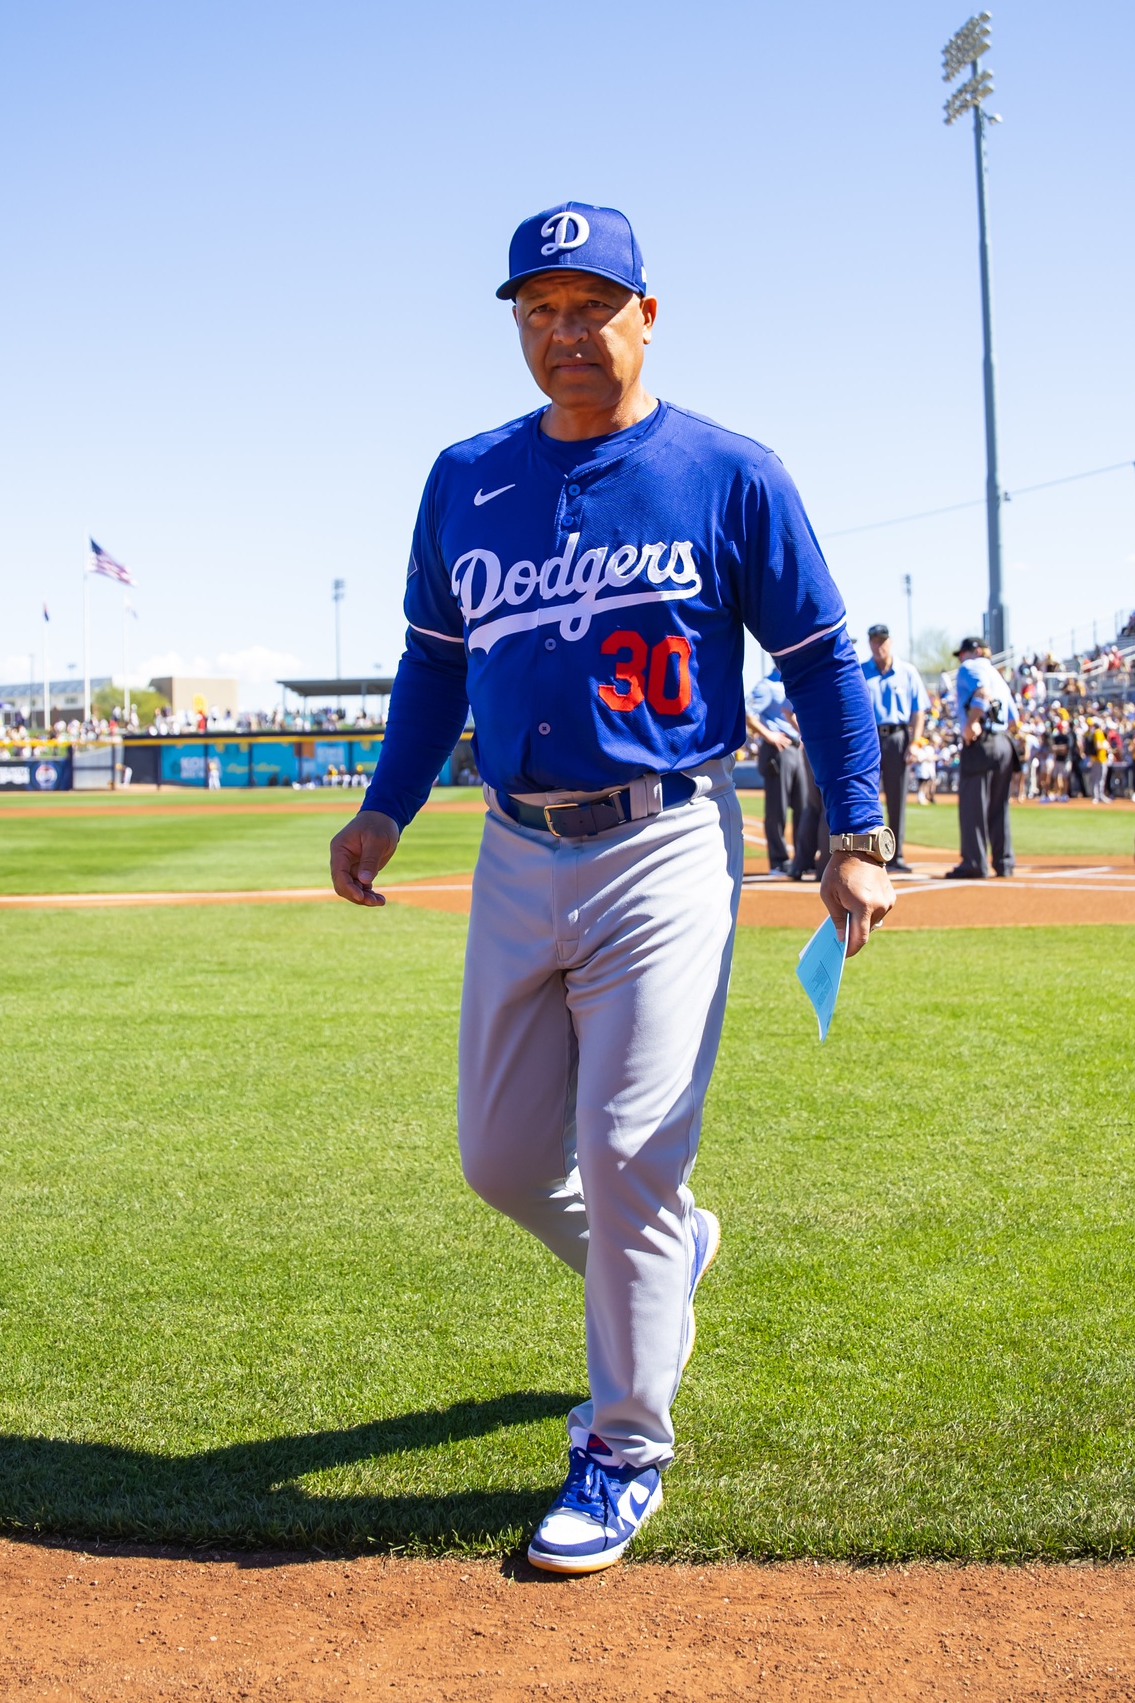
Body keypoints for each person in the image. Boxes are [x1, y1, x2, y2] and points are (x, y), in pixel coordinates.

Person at [326, 202, 895, 1576]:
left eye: (591, 306)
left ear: (647, 316)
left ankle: (624, 1444)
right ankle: (668, 1252)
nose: (564, 333)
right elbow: (433, 662)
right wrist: (386, 804)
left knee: (631, 1148)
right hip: (513, 845)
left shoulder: (727, 473)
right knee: (502, 1159)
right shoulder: (465, 476)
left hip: (665, 839)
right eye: (539, 309)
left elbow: (822, 660)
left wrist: (856, 829)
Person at [860, 623, 929, 872]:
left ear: (890, 642)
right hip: (869, 738)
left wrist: (915, 742)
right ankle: (866, 854)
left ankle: (895, 855)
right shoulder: (860, 671)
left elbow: (918, 711)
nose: (878, 645)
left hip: (898, 737)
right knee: (866, 796)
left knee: (897, 798)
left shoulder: (907, 672)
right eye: (874, 641)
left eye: (882, 641)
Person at [947, 636, 1014, 878]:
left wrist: (971, 723)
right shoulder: (998, 674)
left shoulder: (970, 667)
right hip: (1004, 741)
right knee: (999, 807)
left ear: (974, 651)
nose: (961, 659)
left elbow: (982, 693)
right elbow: (1014, 718)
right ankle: (1004, 862)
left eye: (963, 653)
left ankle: (975, 863)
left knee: (973, 807)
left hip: (981, 743)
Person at [742, 664, 811, 876]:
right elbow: (746, 712)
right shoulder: (767, 685)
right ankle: (779, 861)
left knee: (803, 806)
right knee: (777, 808)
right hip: (777, 750)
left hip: (796, 748)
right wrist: (768, 735)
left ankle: (802, 859)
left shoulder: (793, 678)